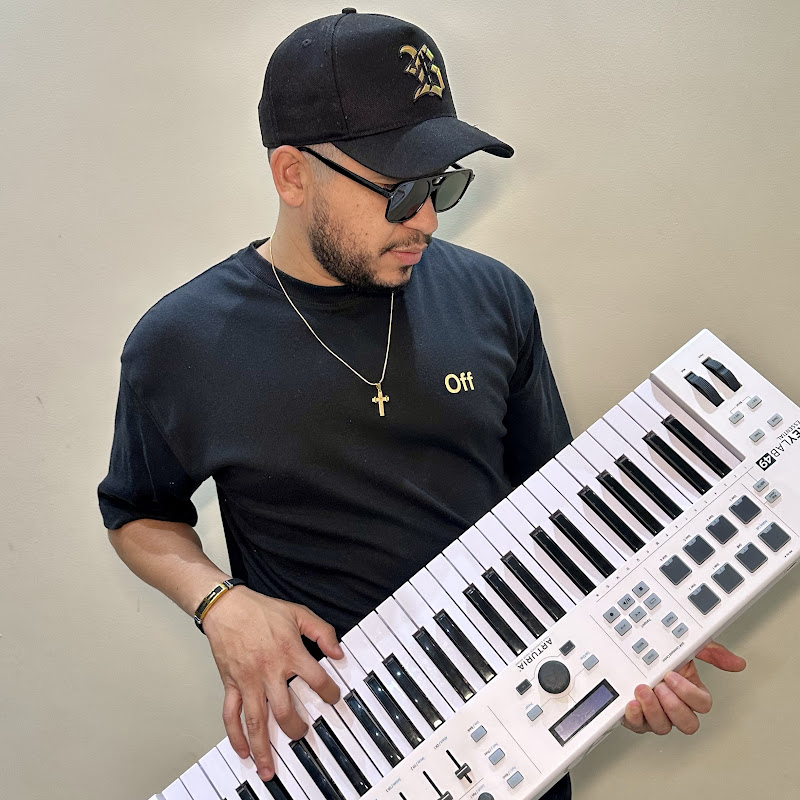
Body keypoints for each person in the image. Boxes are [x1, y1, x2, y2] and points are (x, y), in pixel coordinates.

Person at [98, 9, 745, 799]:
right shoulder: (183, 341)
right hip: (337, 754)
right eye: (400, 191)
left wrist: (632, 643)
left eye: (443, 184)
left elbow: (561, 512)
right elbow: (138, 514)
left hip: (518, 741)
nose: (428, 220)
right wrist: (219, 604)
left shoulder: (494, 298)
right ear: (292, 175)